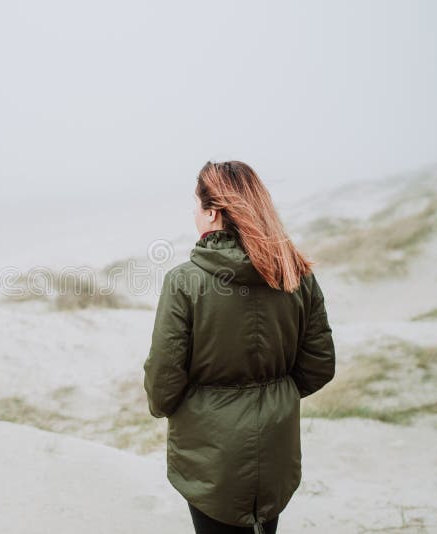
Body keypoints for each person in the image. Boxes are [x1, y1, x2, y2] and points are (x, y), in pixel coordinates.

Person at [143, 161, 336, 534]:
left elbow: (163, 383)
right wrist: (274, 397)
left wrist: (188, 407)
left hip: (211, 459)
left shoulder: (184, 282)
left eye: (197, 205)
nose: (194, 213)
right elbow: (319, 365)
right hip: (276, 451)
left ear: (212, 212)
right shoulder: (296, 274)